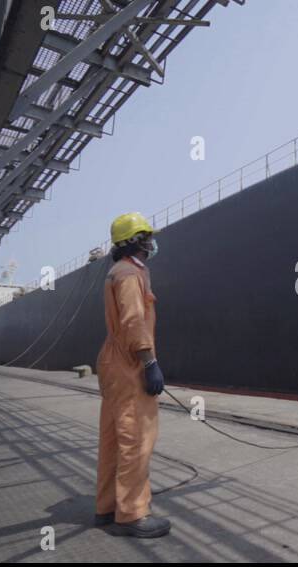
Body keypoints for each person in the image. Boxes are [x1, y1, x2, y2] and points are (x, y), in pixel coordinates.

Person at [94, 212, 169, 538]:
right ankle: (132, 514)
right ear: (137, 241)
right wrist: (149, 362)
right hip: (128, 365)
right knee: (136, 438)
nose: (152, 241)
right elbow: (133, 321)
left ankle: (107, 507)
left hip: (114, 362)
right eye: (148, 236)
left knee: (114, 437)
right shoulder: (128, 274)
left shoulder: (120, 271)